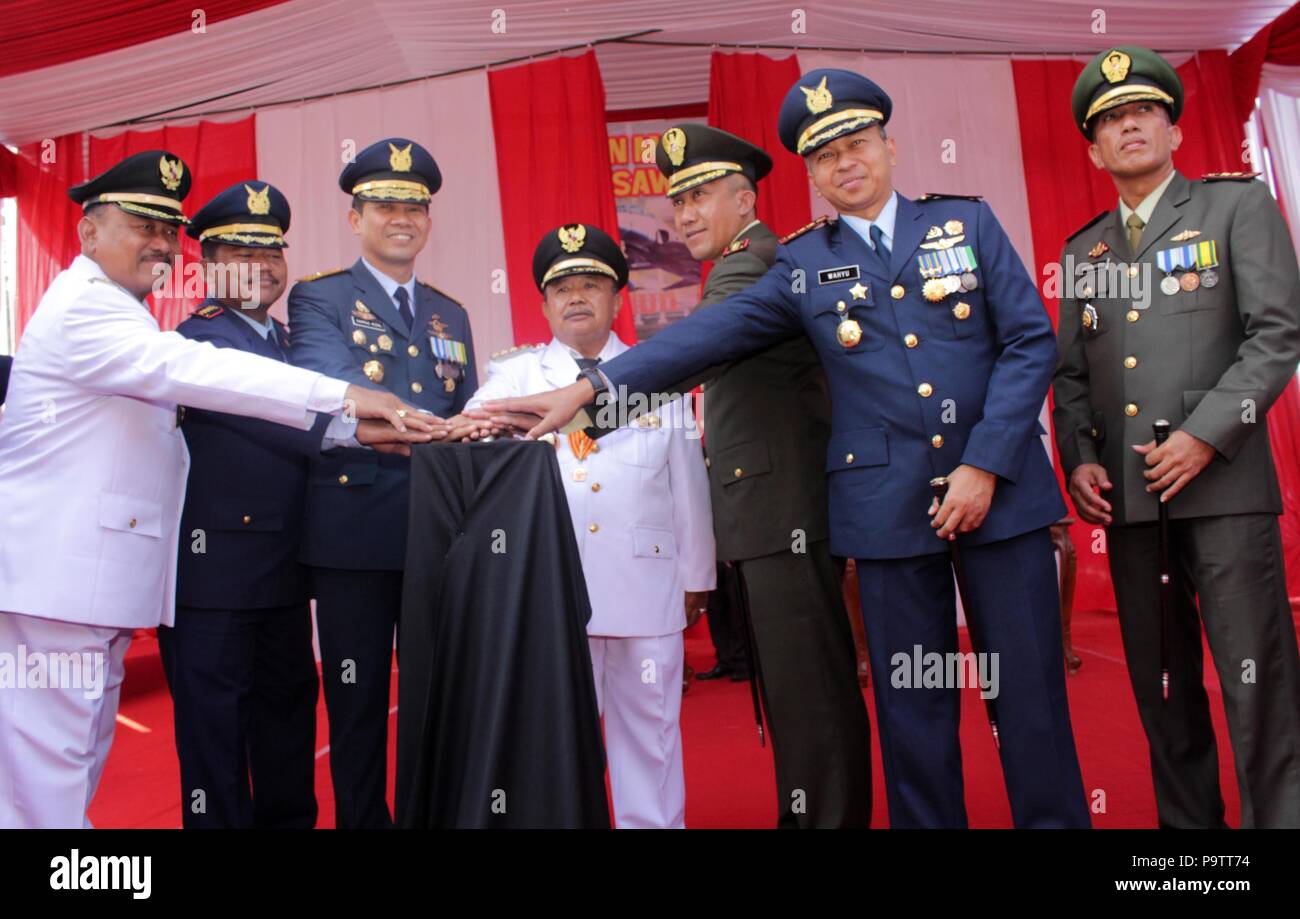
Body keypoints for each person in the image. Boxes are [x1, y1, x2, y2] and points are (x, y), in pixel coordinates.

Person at [477, 70, 1090, 828]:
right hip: (890, 510)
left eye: (856, 143)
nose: (844, 162)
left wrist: (984, 461)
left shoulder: (966, 224)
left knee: (1028, 696)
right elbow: (705, 338)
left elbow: (1031, 341)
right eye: (824, 155)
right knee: (913, 711)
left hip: (1001, 493)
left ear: (890, 146)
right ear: (810, 173)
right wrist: (587, 393)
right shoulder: (800, 265)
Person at [0, 151, 436, 829]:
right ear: (88, 233)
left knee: (64, 767)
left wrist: (354, 426)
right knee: (49, 777)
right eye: (141, 224)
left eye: (168, 229)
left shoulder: (117, 311)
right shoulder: (91, 311)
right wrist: (348, 398)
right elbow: (209, 375)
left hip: (89, 588)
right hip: (65, 583)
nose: (159, 242)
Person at [1053, 46, 1300, 828]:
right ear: (1094, 149)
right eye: (1111, 121)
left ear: (1173, 131)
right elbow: (1071, 377)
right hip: (1131, 505)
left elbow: (1277, 334)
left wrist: (1203, 436)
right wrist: (1083, 459)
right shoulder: (1083, 251)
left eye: (1144, 112)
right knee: (1163, 690)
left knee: (1256, 686)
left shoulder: (1235, 207)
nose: (1130, 126)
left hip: (1223, 489)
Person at [654, 123, 872, 827]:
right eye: (676, 200)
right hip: (771, 510)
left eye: (701, 195)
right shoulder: (737, 263)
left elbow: (694, 351)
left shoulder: (753, 262)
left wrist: (592, 394)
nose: (685, 213)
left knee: (808, 687)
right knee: (794, 685)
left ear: (746, 198)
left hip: (786, 511)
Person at [464, 224, 714, 828]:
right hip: (547, 593)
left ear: (617, 298)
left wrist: (698, 575)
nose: (577, 298)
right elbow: (471, 433)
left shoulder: (658, 372)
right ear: (545, 303)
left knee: (651, 735)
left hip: (645, 588)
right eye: (563, 289)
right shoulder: (515, 379)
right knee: (551, 740)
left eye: (591, 285)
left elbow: (688, 482)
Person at [161, 180, 367, 828]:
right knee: (216, 757)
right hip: (211, 586)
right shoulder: (194, 343)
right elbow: (291, 419)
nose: (263, 265)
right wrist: (385, 431)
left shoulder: (290, 343)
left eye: (272, 250)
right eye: (242, 251)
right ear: (209, 264)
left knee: (287, 741)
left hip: (284, 577)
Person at [287, 137, 477, 828]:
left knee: (437, 697)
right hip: (354, 533)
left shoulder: (450, 312)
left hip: (438, 532)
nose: (403, 216)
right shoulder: (320, 297)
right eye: (385, 204)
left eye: (416, 205)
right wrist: (416, 423)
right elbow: (323, 386)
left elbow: (466, 412)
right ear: (355, 217)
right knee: (358, 701)